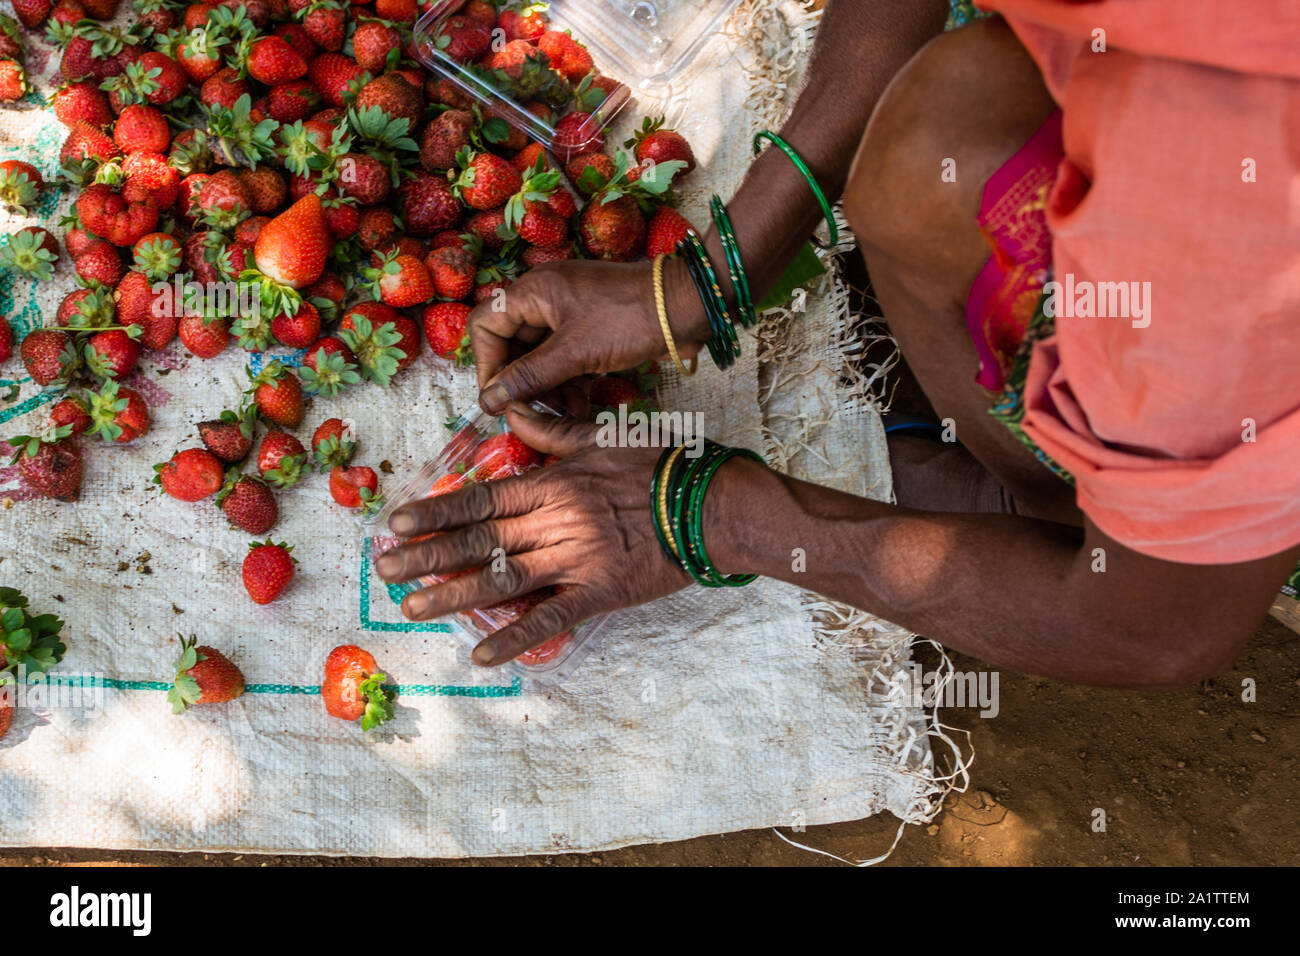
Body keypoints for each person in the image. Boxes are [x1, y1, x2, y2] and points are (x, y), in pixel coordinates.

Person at [374, 0, 1300, 688]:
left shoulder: (1234, 204)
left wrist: (704, 513)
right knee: (939, 132)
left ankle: (1105, 511)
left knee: (938, 144)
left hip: (1232, 270)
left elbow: (1152, 633)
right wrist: (701, 281)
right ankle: (1028, 482)